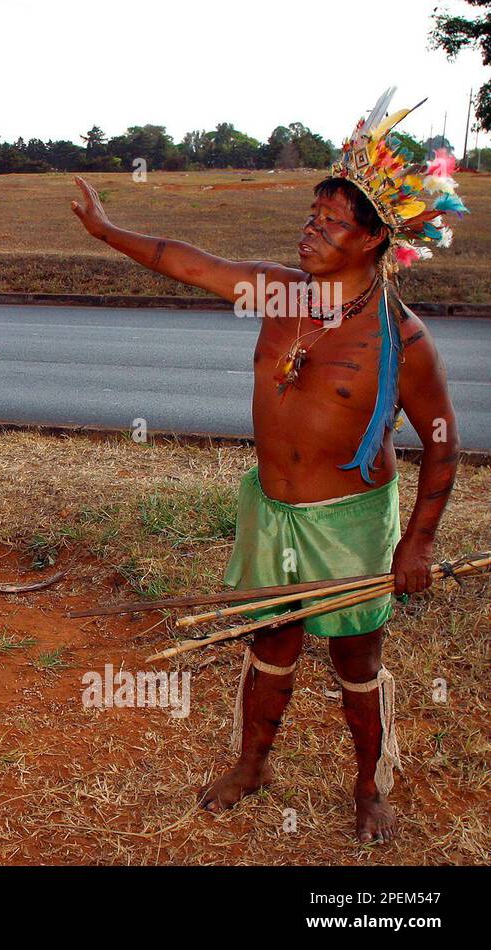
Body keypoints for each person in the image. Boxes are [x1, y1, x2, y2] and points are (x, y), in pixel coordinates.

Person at [70, 89, 465, 842]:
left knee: (355, 658)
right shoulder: (279, 291)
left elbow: (442, 441)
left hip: (348, 521)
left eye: (331, 226)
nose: (310, 233)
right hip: (270, 510)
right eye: (311, 218)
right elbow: (188, 264)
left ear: (374, 242)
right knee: (270, 645)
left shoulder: (402, 342)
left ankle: (369, 789)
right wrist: (107, 229)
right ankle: (251, 767)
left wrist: (418, 541)